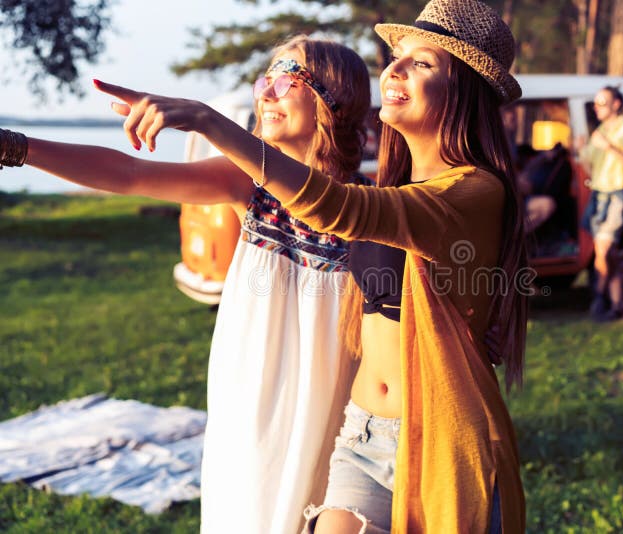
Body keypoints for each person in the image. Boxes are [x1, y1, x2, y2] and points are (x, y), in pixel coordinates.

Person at [60, 0, 529, 530]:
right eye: (396, 56)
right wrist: (17, 147)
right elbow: (129, 175)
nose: (394, 69)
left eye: (422, 63)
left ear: (464, 90)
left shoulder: (473, 191)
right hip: (361, 434)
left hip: (439, 432)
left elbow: (338, 210)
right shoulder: (397, 187)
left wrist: (208, 121)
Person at [0, 36, 370, 533]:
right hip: (254, 388)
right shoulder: (248, 185)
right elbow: (129, 174)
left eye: (286, 80)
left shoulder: (373, 206)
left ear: (335, 99)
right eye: (264, 82)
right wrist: (16, 147)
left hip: (336, 393)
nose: (267, 93)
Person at [578, 85, 623, 321]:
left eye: (601, 103)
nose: (596, 108)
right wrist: (580, 152)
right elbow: (591, 168)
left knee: (603, 250)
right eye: (595, 104)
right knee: (609, 254)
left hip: (618, 195)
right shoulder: (599, 130)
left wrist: (609, 147)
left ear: (616, 104)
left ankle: (598, 298)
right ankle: (618, 305)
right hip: (599, 198)